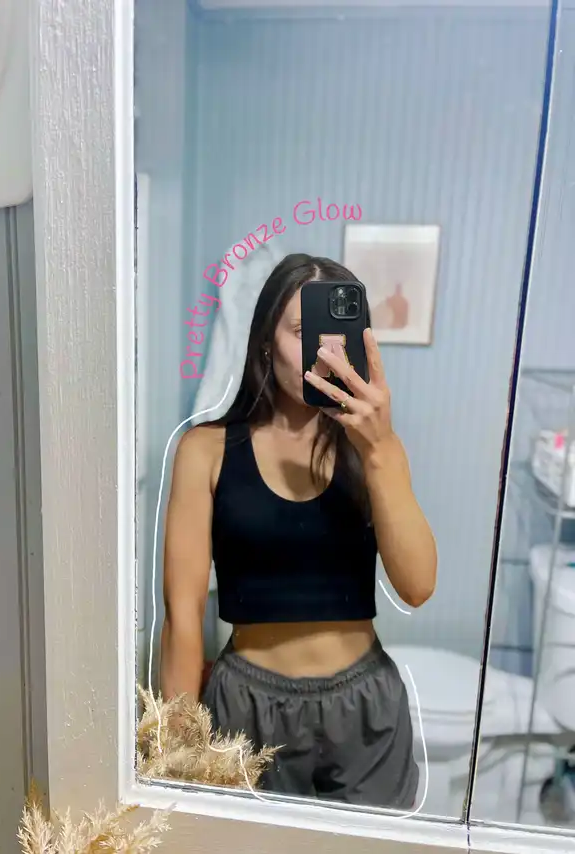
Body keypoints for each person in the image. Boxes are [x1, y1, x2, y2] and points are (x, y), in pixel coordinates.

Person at [160, 253, 437, 809]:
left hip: (365, 708)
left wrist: (379, 449)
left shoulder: (376, 448)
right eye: (302, 331)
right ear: (266, 340)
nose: (324, 351)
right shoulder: (205, 450)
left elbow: (416, 586)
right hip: (246, 708)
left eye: (338, 335)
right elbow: (183, 616)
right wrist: (175, 758)